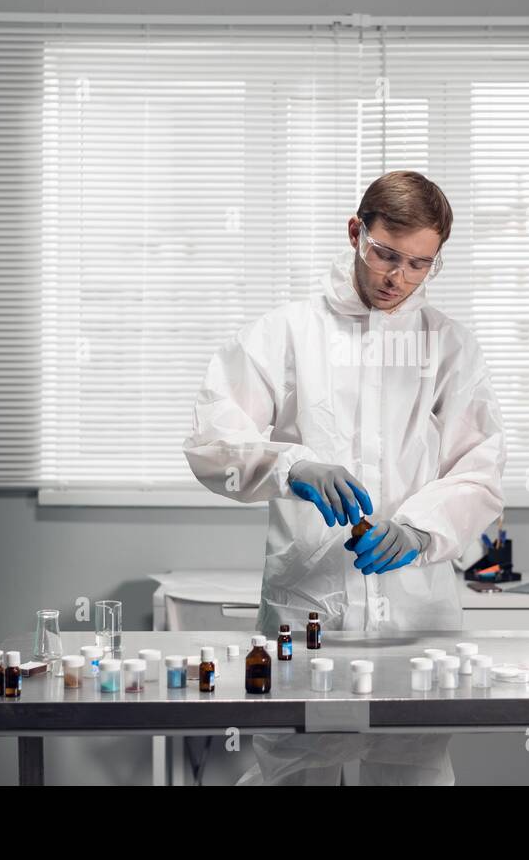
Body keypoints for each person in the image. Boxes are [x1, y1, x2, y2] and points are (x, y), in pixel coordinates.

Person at [183, 170, 506, 784]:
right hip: (308, 606)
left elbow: (480, 465)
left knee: (413, 769)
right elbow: (210, 441)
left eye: (420, 265)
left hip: (416, 613)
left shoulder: (450, 346)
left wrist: (418, 529)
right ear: (356, 231)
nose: (398, 278)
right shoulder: (285, 334)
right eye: (387, 254)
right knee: (294, 769)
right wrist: (290, 463)